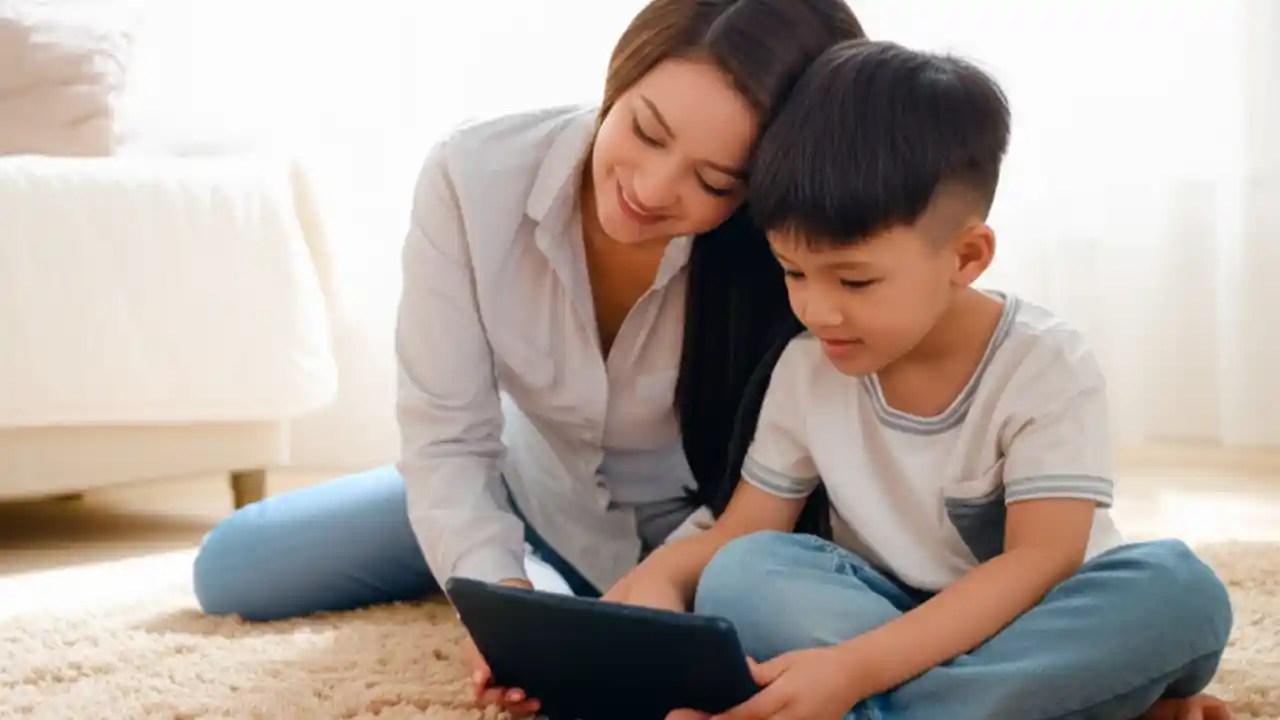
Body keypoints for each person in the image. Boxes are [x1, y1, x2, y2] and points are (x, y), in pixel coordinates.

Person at [192, 0, 865, 716]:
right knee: (234, 569)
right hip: (527, 483)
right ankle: (461, 535)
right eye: (645, 129)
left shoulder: (782, 252)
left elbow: (767, 492)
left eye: (714, 182)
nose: (652, 189)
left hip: (695, 542)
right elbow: (447, 437)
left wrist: (656, 590)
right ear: (621, 74)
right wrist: (500, 592)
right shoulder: (473, 174)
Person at [608, 40, 1235, 720]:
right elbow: (743, 532)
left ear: (966, 256)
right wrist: (657, 579)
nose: (817, 310)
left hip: (1040, 622)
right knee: (744, 575)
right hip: (876, 613)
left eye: (855, 280)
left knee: (1179, 590)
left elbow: (1038, 564)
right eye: (792, 271)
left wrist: (852, 671)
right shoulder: (807, 368)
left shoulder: (1046, 365)